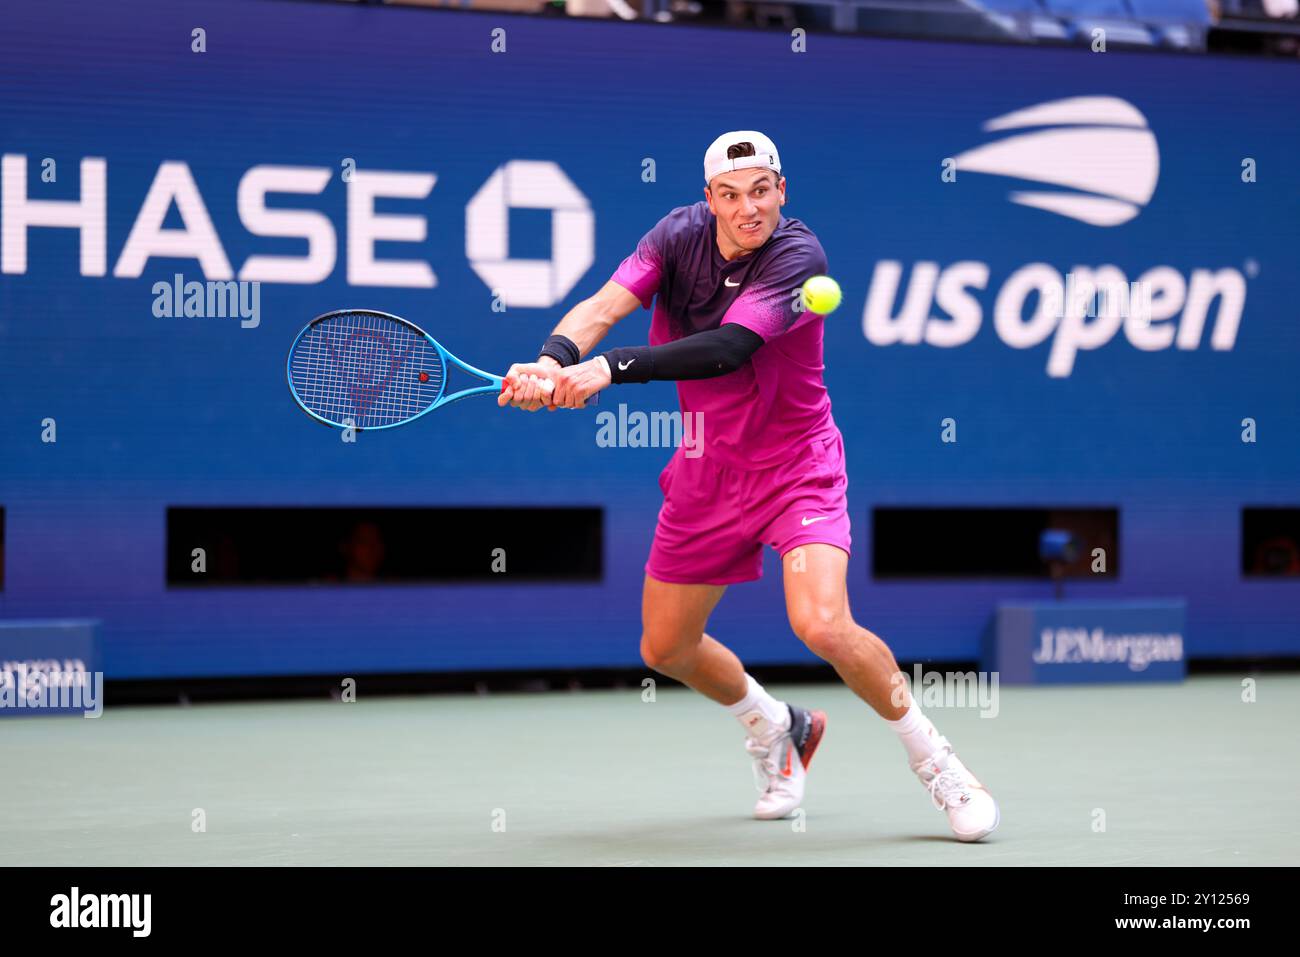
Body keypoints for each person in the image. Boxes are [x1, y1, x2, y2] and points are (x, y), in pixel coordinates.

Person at [499, 131, 999, 840]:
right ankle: (780, 727)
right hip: (706, 471)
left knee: (821, 622)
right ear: (708, 201)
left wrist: (607, 371)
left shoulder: (799, 257)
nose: (747, 208)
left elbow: (729, 349)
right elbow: (606, 303)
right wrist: (550, 360)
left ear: (781, 190)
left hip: (797, 467)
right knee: (665, 647)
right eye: (730, 195)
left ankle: (940, 763)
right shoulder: (674, 237)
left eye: (760, 190)